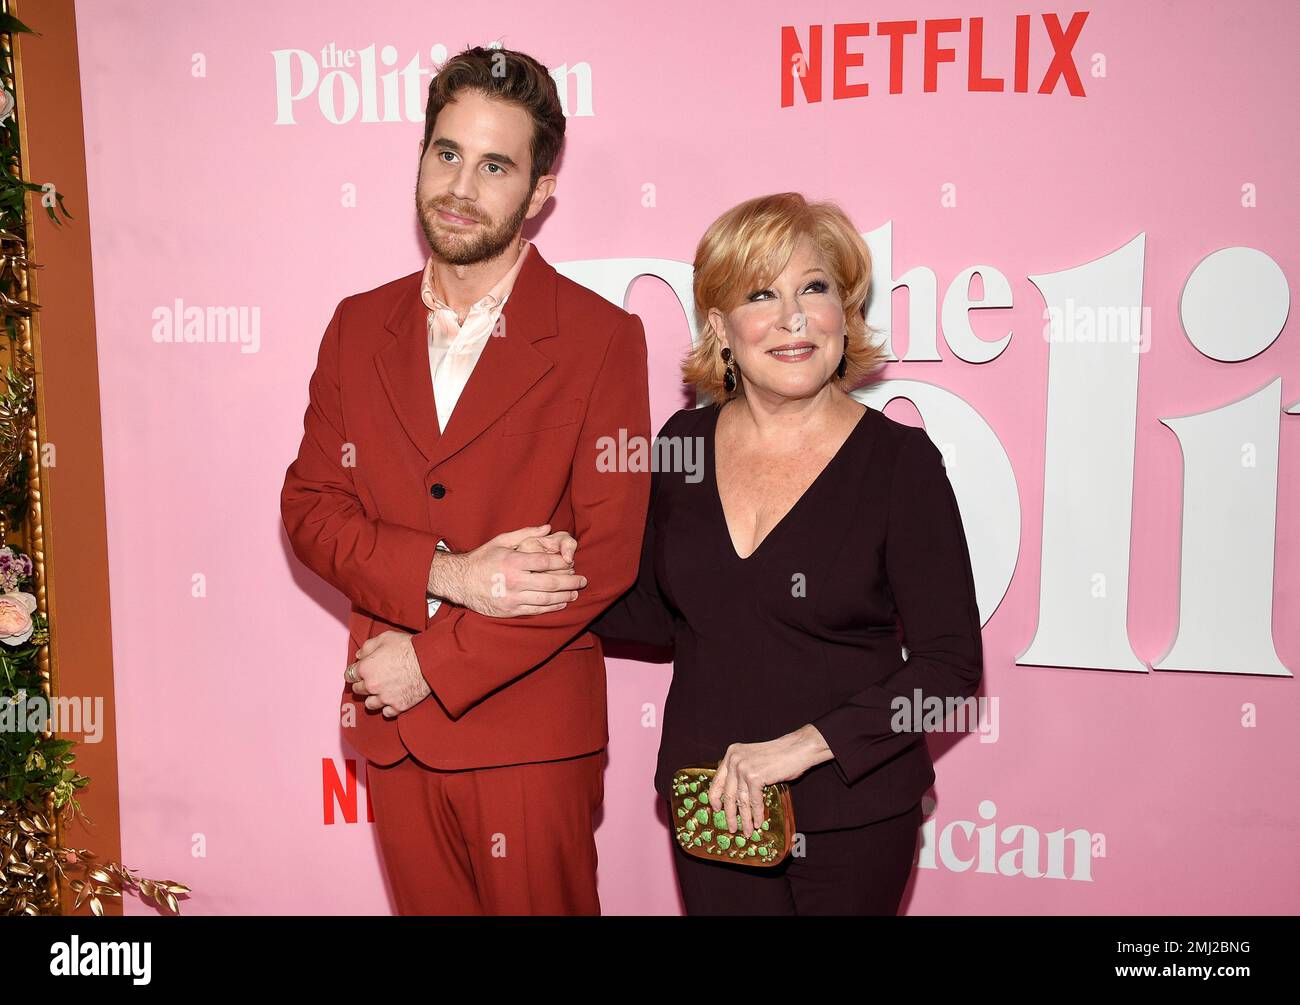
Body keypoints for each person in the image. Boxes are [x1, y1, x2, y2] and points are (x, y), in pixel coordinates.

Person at [280, 45, 651, 915]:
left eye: (495, 166)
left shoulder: (601, 339)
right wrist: (452, 574)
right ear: (419, 156)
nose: (461, 187)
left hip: (526, 738)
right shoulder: (355, 325)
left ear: (541, 191)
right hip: (397, 733)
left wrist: (430, 662)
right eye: (446, 154)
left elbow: (602, 558)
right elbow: (310, 509)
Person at [589, 192, 984, 915]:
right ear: (722, 327)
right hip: (712, 807)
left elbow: (950, 672)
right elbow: (651, 611)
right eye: (761, 293)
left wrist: (804, 745)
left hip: (854, 812)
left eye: (815, 287)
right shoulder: (682, 444)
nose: (793, 317)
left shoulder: (899, 463)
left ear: (846, 310)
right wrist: (532, 576)